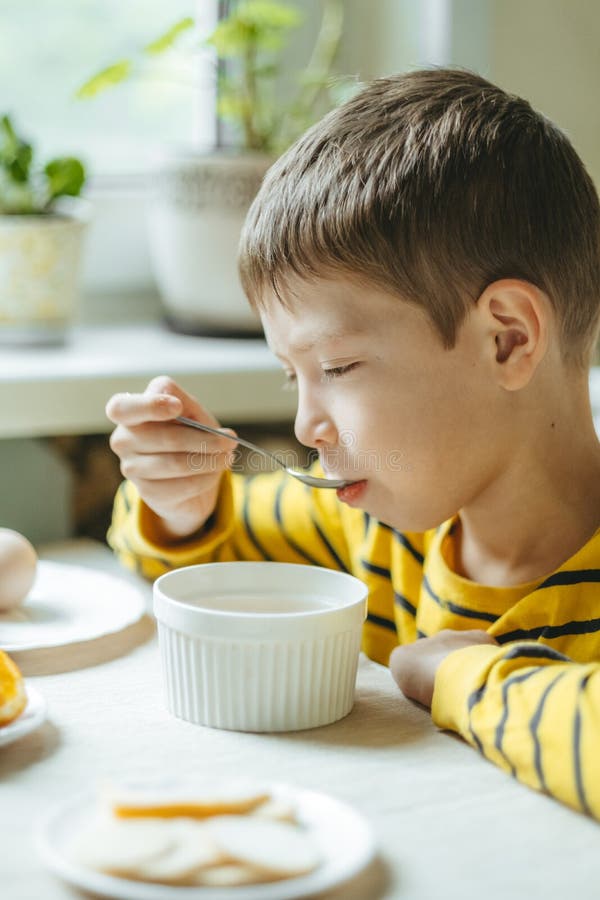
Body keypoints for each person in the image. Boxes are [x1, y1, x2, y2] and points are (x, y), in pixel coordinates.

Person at [106, 68, 600, 819]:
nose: (307, 426)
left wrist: (468, 677)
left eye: (336, 367)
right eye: (291, 377)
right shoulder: (371, 526)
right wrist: (181, 502)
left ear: (507, 340)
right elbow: (187, 548)